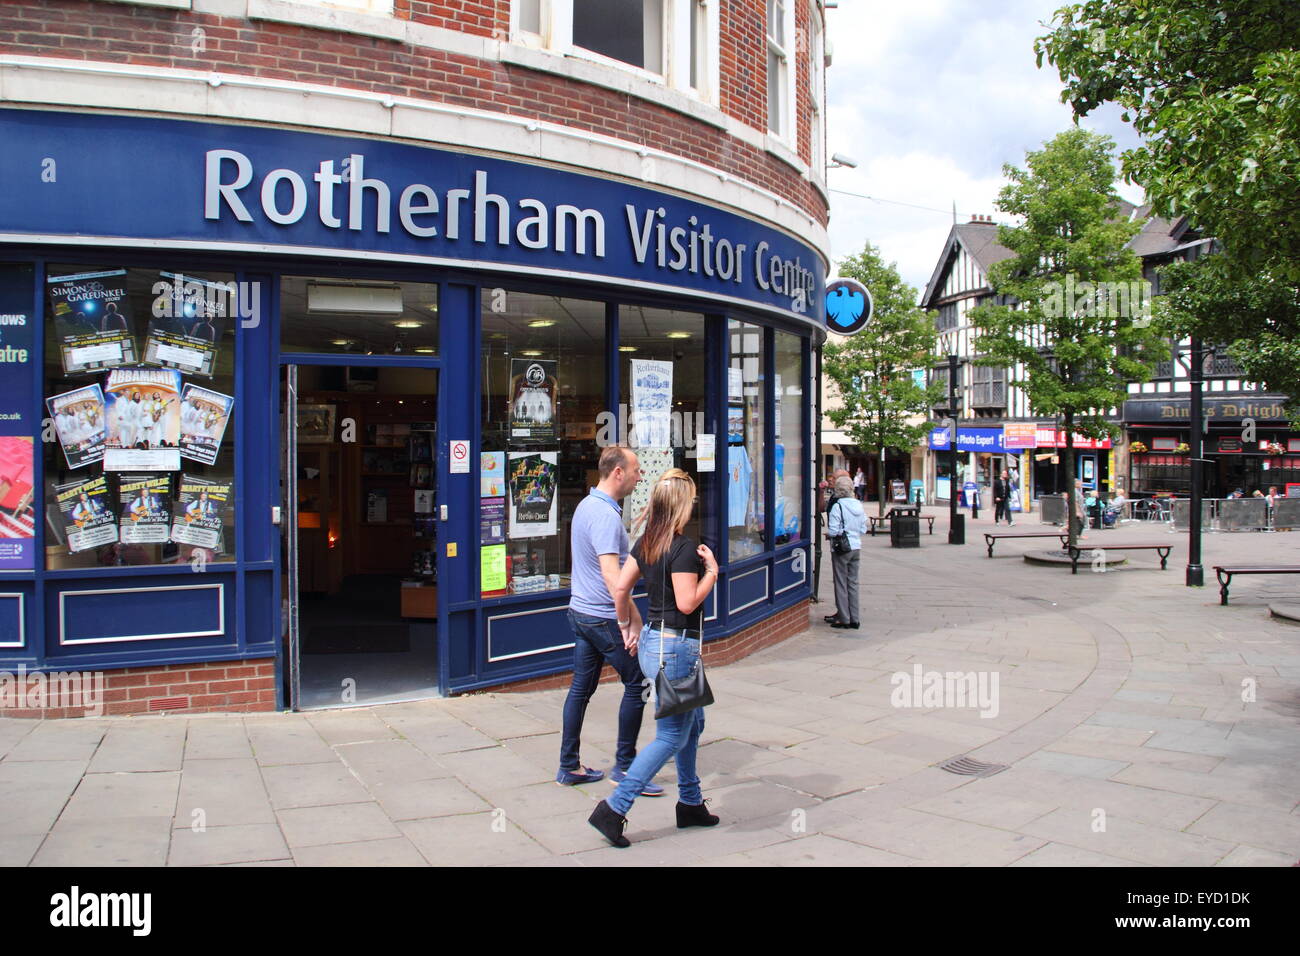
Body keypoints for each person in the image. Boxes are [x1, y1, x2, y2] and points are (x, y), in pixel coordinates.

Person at [589, 469, 719, 847]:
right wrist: (712, 572)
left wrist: (627, 625)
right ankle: (614, 807)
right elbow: (688, 602)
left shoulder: (645, 542)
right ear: (681, 504)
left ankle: (691, 802)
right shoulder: (682, 548)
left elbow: (620, 588)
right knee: (671, 736)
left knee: (694, 722)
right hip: (675, 648)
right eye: (691, 500)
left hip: (653, 644)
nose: (693, 506)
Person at [557, 446, 663, 794]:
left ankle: (568, 766)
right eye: (635, 469)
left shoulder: (590, 505)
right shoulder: (604, 515)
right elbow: (612, 577)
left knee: (580, 690)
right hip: (602, 616)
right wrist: (628, 621)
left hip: (580, 613)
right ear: (618, 472)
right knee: (639, 683)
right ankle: (626, 769)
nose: (640, 475)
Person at [824, 475, 866, 629]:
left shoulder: (838, 506)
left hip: (842, 548)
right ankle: (855, 618)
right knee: (853, 582)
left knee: (841, 582)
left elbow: (834, 531)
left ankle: (844, 618)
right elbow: (864, 528)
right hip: (856, 546)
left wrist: (830, 534)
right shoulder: (859, 505)